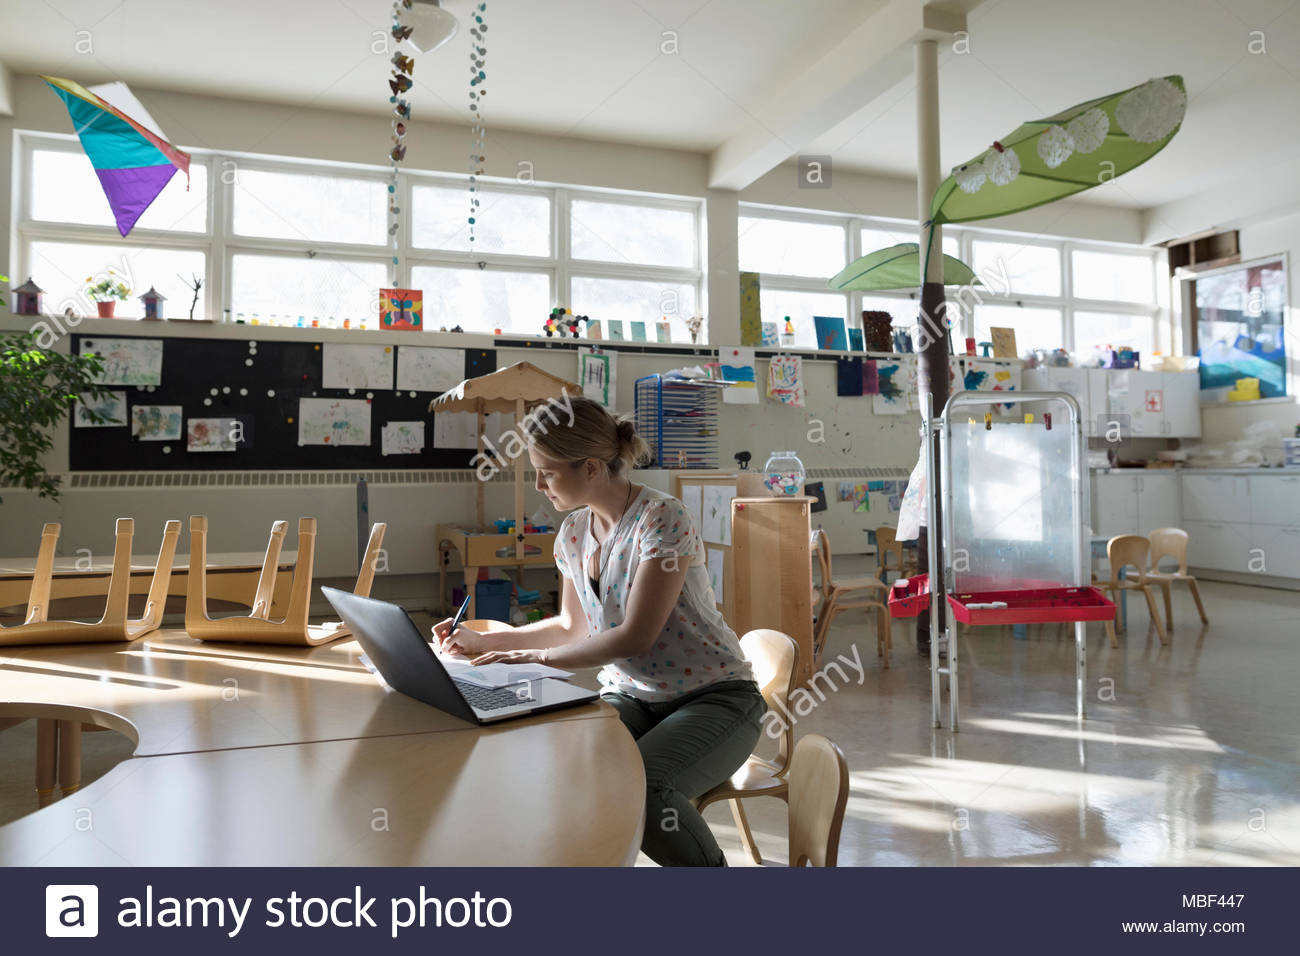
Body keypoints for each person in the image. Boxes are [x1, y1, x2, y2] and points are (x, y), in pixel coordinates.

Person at [433, 395, 766, 867]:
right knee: (564, 769)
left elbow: (635, 637)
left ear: (591, 468)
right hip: (631, 695)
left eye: (547, 473)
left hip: (715, 696)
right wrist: (487, 641)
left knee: (645, 789)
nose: (539, 485)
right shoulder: (572, 532)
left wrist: (534, 659)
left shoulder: (661, 518)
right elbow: (573, 626)